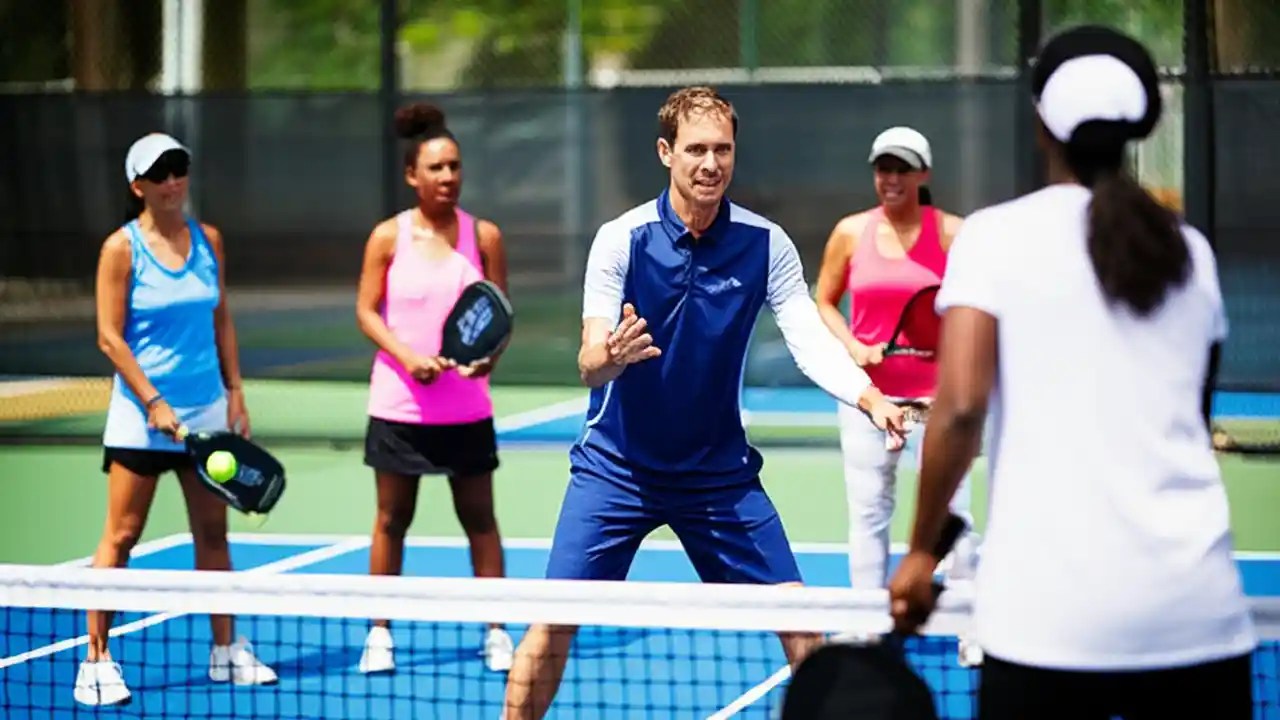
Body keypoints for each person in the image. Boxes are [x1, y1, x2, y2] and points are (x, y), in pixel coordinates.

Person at [502, 85, 908, 719]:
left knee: (802, 623)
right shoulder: (621, 239)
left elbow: (807, 338)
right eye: (695, 150)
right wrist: (612, 355)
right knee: (552, 624)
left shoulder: (765, 243)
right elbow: (588, 362)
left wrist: (867, 396)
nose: (710, 163)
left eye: (722, 150)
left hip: (718, 478)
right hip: (617, 470)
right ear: (666, 152)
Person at [889, 25, 1255, 719]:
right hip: (1196, 616)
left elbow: (961, 408)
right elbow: (1194, 413)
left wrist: (917, 555)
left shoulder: (993, 238)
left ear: (1041, 128)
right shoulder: (1192, 252)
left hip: (1045, 627)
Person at [78, 133, 277, 707]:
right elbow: (109, 337)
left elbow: (222, 320)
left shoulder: (209, 240)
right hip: (140, 421)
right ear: (137, 185)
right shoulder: (121, 249)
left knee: (213, 536)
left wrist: (235, 391)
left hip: (206, 416)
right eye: (159, 173)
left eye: (179, 169)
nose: (172, 182)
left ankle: (225, 650)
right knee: (121, 535)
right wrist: (152, 401)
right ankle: (96, 659)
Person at [355, 102, 514, 674]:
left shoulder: (485, 235)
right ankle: (379, 633)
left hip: (467, 410)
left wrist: (484, 363)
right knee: (391, 520)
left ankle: (496, 629)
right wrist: (407, 357)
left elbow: (497, 315)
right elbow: (366, 311)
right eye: (436, 168)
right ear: (411, 176)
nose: (448, 177)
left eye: (455, 167)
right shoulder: (386, 238)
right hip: (398, 406)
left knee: (480, 519)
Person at [813, 125, 979, 594]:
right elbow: (824, 301)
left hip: (937, 401)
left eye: (902, 168)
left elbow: (973, 310)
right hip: (868, 399)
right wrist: (853, 346)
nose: (891, 178)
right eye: (884, 168)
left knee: (955, 512)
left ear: (923, 174)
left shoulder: (953, 234)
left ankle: (967, 628)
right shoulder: (849, 232)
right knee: (869, 512)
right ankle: (867, 627)